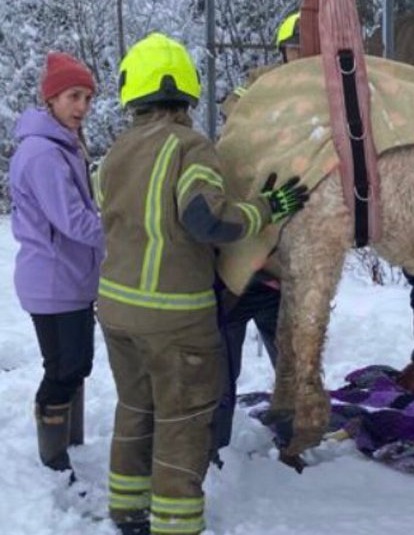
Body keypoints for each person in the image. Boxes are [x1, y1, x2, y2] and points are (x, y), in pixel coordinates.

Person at [95, 33, 308, 535]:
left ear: (132, 90)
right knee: (182, 421)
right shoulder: (190, 147)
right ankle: (175, 524)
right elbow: (207, 220)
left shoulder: (115, 152)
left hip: (117, 312)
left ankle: (127, 511)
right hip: (175, 318)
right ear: (186, 89)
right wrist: (266, 209)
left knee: (135, 409)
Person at [212, 9, 302, 453]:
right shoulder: (252, 99)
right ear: (282, 52)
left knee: (292, 366)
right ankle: (215, 452)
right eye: (296, 48)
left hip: (285, 269)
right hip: (239, 263)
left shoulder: (326, 106)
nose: (303, 56)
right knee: (220, 372)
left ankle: (293, 443)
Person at [9, 51, 102, 476]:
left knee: (76, 363)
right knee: (64, 368)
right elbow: (73, 221)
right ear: (51, 99)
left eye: (87, 98)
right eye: (73, 97)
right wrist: (122, 233)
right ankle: (54, 457)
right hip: (52, 279)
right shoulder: (43, 154)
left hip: (70, 277)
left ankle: (69, 439)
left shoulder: (63, 146)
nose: (82, 107)